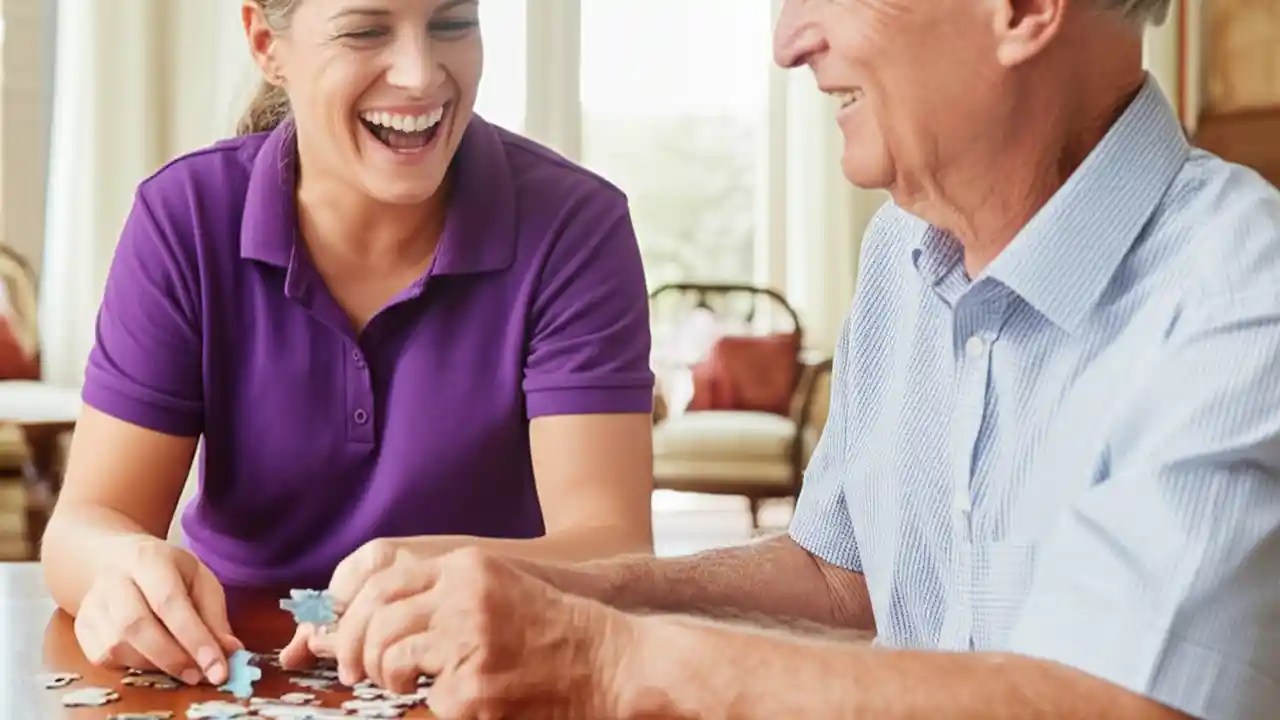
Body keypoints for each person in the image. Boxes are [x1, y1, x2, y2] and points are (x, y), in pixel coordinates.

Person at [284, 0, 1280, 718]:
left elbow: (1118, 704)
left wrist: (605, 663)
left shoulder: (1242, 286)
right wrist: (553, 594)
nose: (785, 41)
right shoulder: (903, 249)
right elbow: (841, 579)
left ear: (1021, 9)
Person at [39, 0, 657, 691]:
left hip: (484, 677)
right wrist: (118, 566)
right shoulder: (185, 216)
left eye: (453, 23)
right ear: (267, 43)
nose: (422, 75)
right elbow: (84, 526)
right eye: (366, 30)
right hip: (230, 672)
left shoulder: (576, 227)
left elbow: (615, 551)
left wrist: (440, 574)